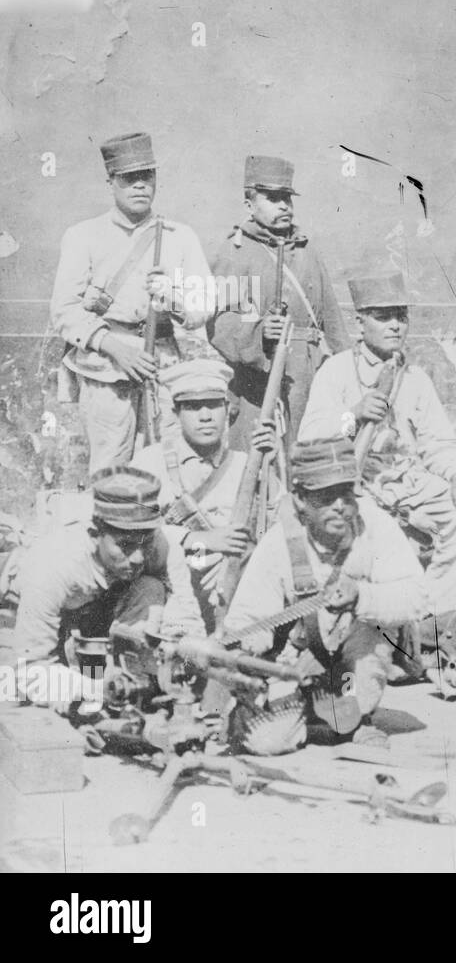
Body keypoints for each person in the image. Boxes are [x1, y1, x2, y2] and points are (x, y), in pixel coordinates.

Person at [298, 273, 456, 619]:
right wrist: (353, 415)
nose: (395, 326)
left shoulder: (415, 377)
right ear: (360, 323)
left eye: (401, 316)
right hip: (356, 485)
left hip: (408, 481)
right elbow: (310, 439)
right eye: (383, 317)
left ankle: (431, 611)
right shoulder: (336, 371)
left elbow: (437, 441)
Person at [223, 437, 425, 748]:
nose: (340, 506)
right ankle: (322, 722)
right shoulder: (279, 543)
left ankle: (356, 716)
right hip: (296, 659)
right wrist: (249, 646)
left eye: (346, 493)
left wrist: (362, 596)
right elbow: (248, 619)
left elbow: (417, 598)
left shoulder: (376, 527)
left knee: (375, 629)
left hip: (355, 650)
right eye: (326, 496)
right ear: (301, 499)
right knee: (266, 742)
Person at [49, 132, 214, 472]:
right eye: (129, 178)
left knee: (170, 467)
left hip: (163, 368)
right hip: (106, 370)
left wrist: (172, 298)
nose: (140, 185)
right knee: (110, 471)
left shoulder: (180, 237)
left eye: (147, 176)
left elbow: (204, 306)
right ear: (110, 181)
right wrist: (115, 348)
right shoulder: (83, 236)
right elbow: (64, 310)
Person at [208, 155, 350, 449]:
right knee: (257, 452)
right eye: (273, 199)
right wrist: (260, 330)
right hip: (257, 374)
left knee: (309, 450)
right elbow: (220, 322)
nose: (284, 205)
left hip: (310, 371)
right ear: (249, 205)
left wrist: (349, 369)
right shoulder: (236, 251)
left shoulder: (307, 250)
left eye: (287, 198)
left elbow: (332, 318)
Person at [130, 359, 278, 636]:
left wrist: (271, 466)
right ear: (176, 412)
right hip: (171, 590)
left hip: (234, 593)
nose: (206, 416)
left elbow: (278, 531)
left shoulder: (247, 465)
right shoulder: (149, 463)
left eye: (213, 405)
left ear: (228, 409)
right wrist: (198, 540)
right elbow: (127, 533)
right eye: (193, 406)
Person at [3, 467, 169, 674]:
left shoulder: (158, 544)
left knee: (151, 588)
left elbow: (184, 617)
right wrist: (91, 688)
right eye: (125, 545)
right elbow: (30, 667)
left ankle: (127, 673)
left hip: (91, 616)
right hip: (28, 613)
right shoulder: (52, 567)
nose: (139, 558)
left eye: (145, 543)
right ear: (95, 534)